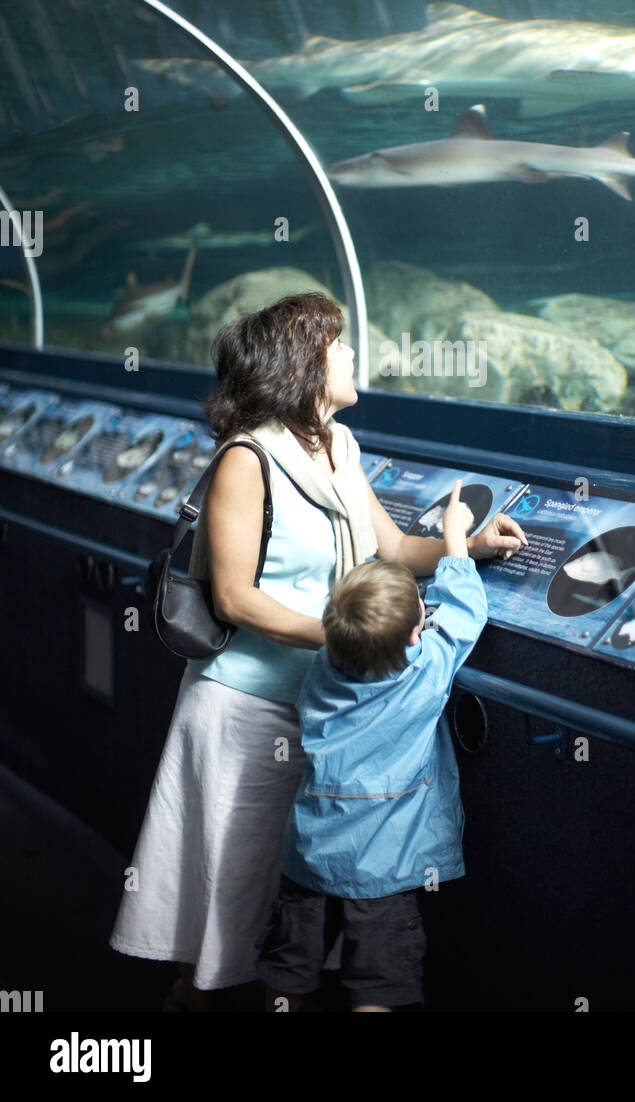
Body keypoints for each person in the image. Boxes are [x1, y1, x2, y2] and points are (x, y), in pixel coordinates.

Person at [110, 292, 526, 1010]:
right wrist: (343, 633)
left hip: (325, 707)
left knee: (292, 899)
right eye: (339, 344)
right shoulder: (248, 459)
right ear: (304, 364)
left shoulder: (338, 445)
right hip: (248, 707)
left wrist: (471, 546)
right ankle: (191, 994)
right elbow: (236, 599)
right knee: (229, 888)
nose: (352, 354)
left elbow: (391, 548)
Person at [254, 479, 491, 1012]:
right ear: (416, 635)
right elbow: (463, 613)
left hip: (309, 857)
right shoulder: (426, 670)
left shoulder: (322, 667)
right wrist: (457, 539)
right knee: (377, 988)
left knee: (289, 973)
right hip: (385, 868)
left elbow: (367, 635)